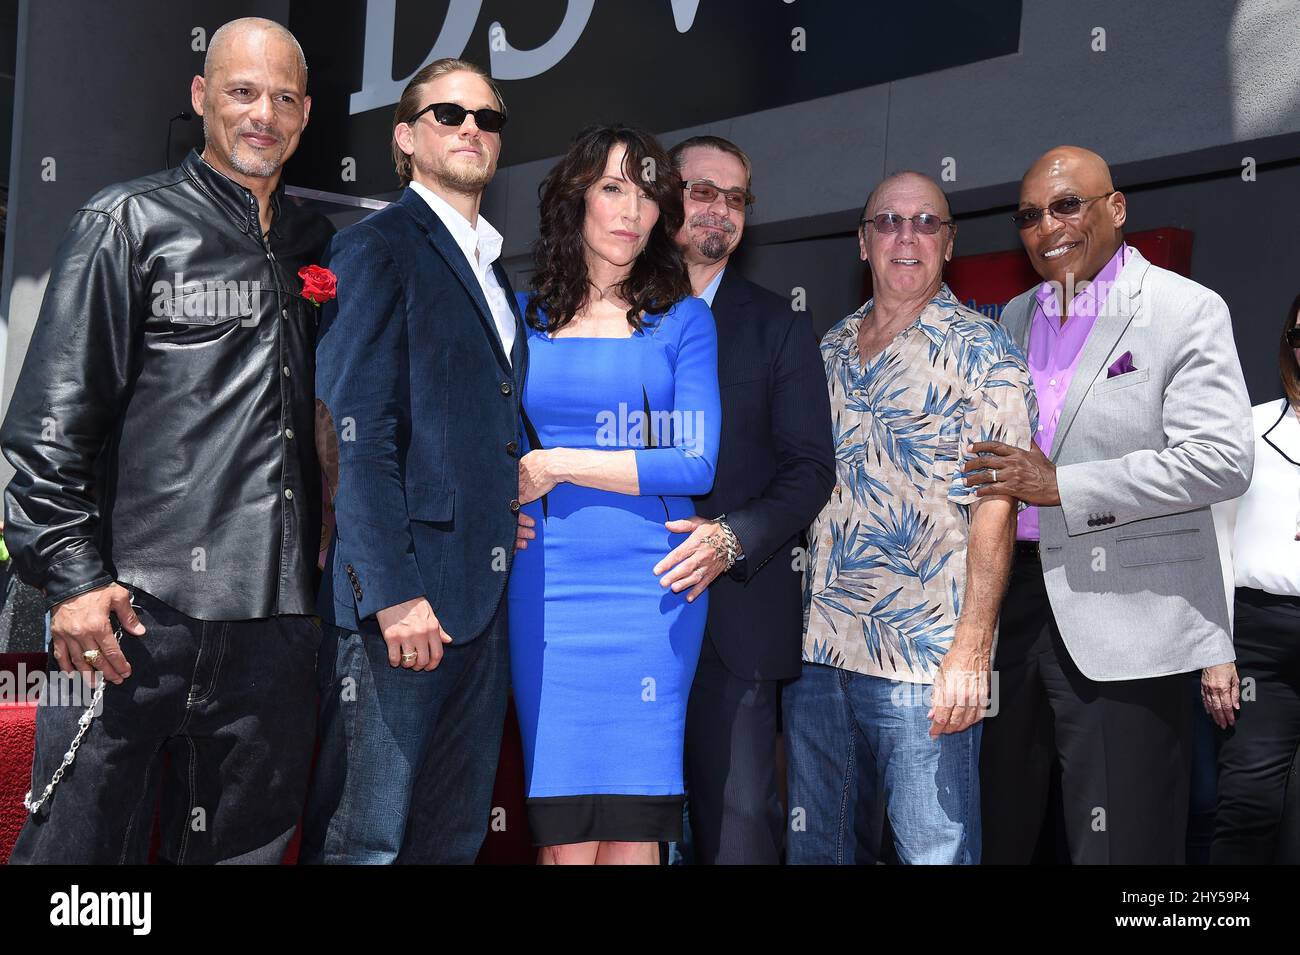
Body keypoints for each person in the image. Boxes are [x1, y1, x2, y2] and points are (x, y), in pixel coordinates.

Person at [2, 18, 333, 863]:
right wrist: (74, 584)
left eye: (284, 97)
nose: (264, 113)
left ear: (304, 116)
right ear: (201, 98)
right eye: (243, 92)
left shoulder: (314, 245)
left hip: (276, 628)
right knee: (75, 875)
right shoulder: (127, 221)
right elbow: (46, 428)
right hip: (127, 618)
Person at [974, 145, 1254, 865]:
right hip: (1015, 608)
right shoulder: (1010, 317)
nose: (1048, 227)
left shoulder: (1184, 308)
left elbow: (1222, 460)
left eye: (1067, 205)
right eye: (1030, 215)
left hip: (1130, 616)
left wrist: (1065, 486)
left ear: (1116, 209)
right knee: (1004, 837)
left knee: (1123, 850)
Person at [300, 58, 526, 864]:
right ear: (405, 137)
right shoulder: (374, 249)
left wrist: (510, 494)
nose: (471, 127)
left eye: (487, 118)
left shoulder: (496, 271)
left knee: (451, 838)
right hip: (402, 609)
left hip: (481, 603)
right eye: (448, 113)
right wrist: (393, 596)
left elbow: (481, 419)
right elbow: (354, 436)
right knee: (367, 840)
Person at [785, 171, 1034, 865]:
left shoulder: (987, 351)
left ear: (949, 243)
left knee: (935, 853)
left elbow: (997, 506)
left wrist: (972, 649)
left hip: (927, 661)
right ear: (863, 242)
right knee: (817, 850)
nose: (907, 235)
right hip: (818, 655)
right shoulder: (826, 349)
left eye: (927, 222)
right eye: (889, 221)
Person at [508, 124, 720, 865]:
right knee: (563, 832)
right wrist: (508, 499)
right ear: (578, 200)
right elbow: (485, 443)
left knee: (635, 833)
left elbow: (695, 461)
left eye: (647, 194)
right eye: (612, 188)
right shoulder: (521, 317)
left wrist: (558, 462)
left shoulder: (683, 319)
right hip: (546, 587)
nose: (631, 210)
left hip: (652, 590)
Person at [660, 135, 833, 864]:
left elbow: (809, 470)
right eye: (703, 191)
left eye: (736, 199)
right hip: (612, 611)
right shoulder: (601, 311)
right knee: (616, 831)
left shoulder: (779, 325)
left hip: (736, 620)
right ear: (664, 196)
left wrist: (729, 537)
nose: (720, 211)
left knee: (738, 835)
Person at [1210, 293, 1300, 864]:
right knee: (1247, 805)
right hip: (1261, 640)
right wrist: (1217, 652)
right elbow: (1215, 543)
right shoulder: (1248, 428)